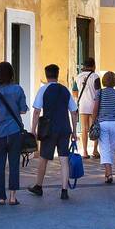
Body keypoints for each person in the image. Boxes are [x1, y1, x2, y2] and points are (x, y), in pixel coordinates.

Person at [27, 63, 77, 200]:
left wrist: (33, 130)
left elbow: (37, 111)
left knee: (43, 158)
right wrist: (74, 131)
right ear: (57, 74)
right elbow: (73, 112)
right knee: (64, 159)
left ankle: (39, 186)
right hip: (65, 128)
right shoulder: (65, 90)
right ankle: (64, 190)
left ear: (46, 75)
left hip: (49, 129)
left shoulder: (43, 90)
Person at [0, 61, 29, 206]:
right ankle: (12, 196)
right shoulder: (18, 90)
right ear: (11, 74)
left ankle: (0, 197)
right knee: (14, 164)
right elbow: (23, 110)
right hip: (14, 131)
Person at [94, 71, 115, 183]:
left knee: (104, 149)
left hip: (103, 123)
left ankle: (110, 173)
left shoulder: (99, 93)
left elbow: (95, 109)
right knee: (111, 149)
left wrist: (93, 122)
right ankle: (107, 173)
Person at [73, 58, 101, 158]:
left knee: (84, 129)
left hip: (83, 105)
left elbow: (74, 92)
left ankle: (84, 152)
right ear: (93, 65)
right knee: (95, 127)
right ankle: (95, 150)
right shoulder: (95, 77)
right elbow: (99, 92)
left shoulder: (78, 77)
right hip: (94, 105)